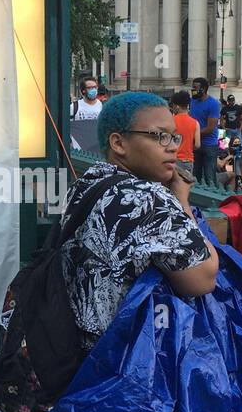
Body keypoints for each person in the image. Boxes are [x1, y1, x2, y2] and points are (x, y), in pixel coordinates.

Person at [60, 93, 220, 351]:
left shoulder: (87, 184)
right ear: (118, 143)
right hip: (126, 362)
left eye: (173, 136)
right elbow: (203, 277)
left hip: (80, 354)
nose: (172, 147)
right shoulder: (146, 199)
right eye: (159, 136)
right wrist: (181, 200)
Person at [189, 78, 221, 185]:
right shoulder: (192, 101)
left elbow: (210, 128)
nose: (192, 89)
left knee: (209, 176)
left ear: (203, 89)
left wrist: (193, 135)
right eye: (192, 87)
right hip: (196, 143)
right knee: (195, 175)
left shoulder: (213, 104)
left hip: (209, 145)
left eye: (195, 88)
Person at [169, 90, 200, 179]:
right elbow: (197, 145)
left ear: (177, 106)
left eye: (173, 106)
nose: (173, 108)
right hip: (188, 160)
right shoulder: (195, 123)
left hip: (173, 159)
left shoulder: (171, 120)